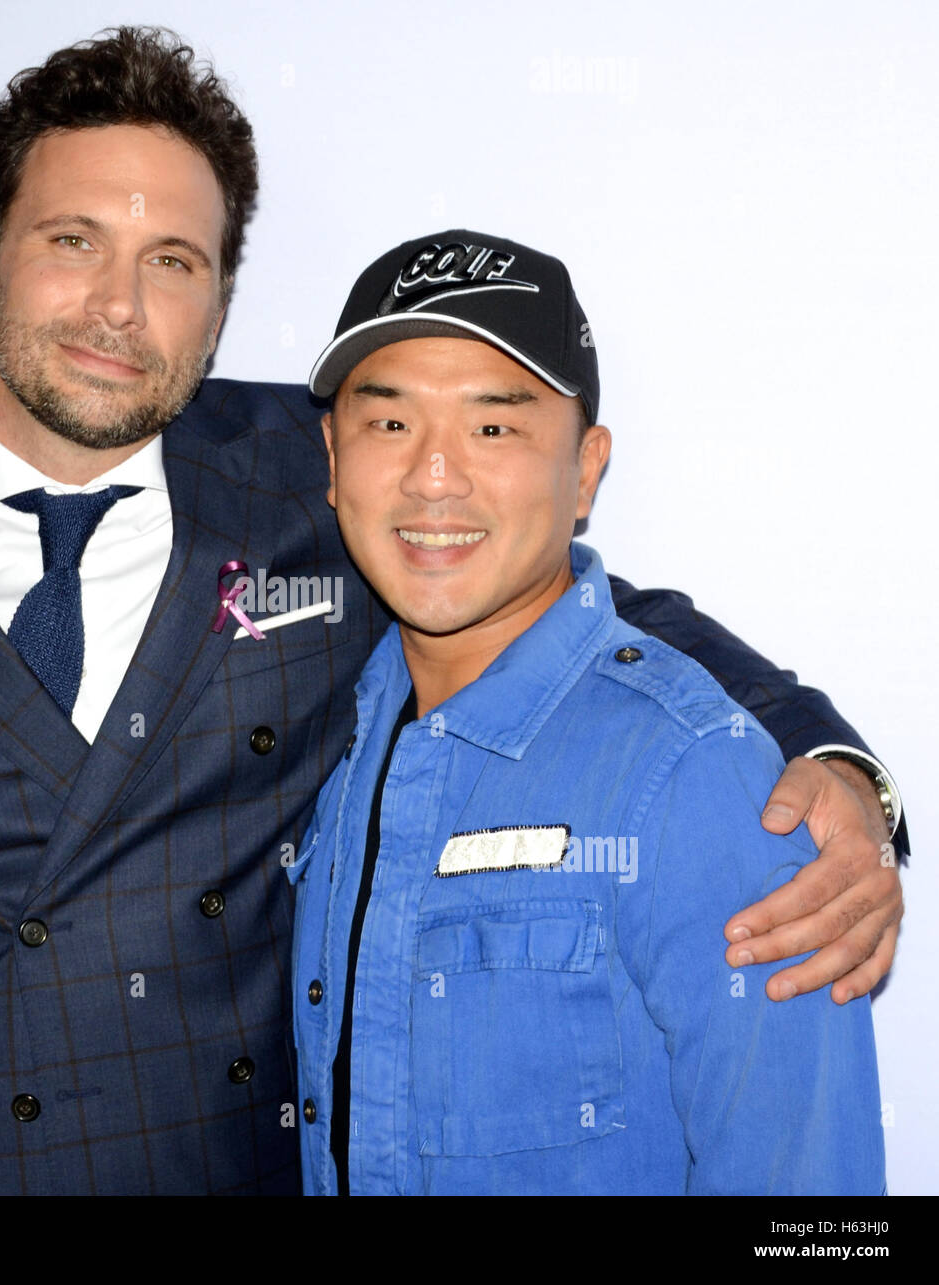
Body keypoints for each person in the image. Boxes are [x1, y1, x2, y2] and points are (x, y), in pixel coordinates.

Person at [0, 29, 900, 1198]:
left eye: (172, 263)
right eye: (73, 240)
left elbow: (580, 597)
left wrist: (834, 766)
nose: (118, 307)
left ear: (220, 301)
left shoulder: (317, 478)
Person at [289, 229, 887, 1195]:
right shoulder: (341, 733)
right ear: (330, 452)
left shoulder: (704, 776)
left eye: (494, 426)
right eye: (390, 423)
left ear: (587, 470)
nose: (434, 475)